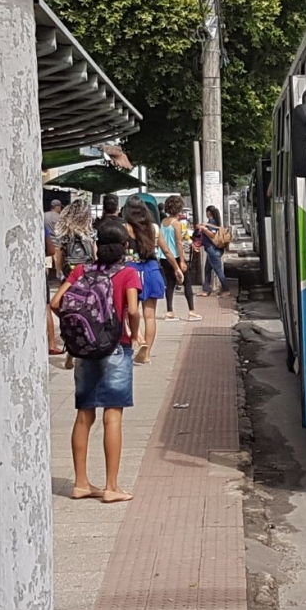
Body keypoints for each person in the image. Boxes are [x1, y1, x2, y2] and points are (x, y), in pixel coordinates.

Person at [51, 218, 142, 504]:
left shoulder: (81, 270)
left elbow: (56, 303)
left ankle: (80, 483)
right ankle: (111, 486)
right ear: (125, 247)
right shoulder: (128, 273)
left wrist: (76, 331)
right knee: (112, 416)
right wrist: (134, 334)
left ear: (98, 246)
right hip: (116, 348)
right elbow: (133, 309)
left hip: (85, 350)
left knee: (84, 415)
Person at [123, 195, 182, 363]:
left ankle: (138, 338)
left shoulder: (124, 228)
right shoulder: (154, 228)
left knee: (129, 311)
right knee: (150, 316)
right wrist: (177, 268)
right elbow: (167, 251)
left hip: (131, 272)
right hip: (151, 269)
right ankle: (146, 353)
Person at [54, 200, 96, 369]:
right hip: (86, 278)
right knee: (87, 312)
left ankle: (71, 346)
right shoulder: (90, 233)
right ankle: (84, 344)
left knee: (67, 310)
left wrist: (59, 272)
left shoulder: (65, 234)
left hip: (69, 277)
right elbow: (95, 254)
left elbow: (58, 255)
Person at [161, 195, 200, 321]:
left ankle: (169, 311)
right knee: (187, 282)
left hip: (164, 256)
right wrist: (182, 261)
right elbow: (178, 243)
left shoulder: (163, 222)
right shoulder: (176, 223)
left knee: (170, 283)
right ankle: (192, 311)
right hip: (176, 256)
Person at [197, 205, 230, 297]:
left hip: (212, 250)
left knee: (218, 270)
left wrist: (204, 229)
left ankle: (226, 290)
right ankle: (206, 290)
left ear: (209, 212)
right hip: (212, 250)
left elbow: (212, 235)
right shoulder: (215, 222)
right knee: (207, 269)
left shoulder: (212, 222)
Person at [46, 225, 64, 356]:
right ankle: (52, 343)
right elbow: (51, 250)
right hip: (39, 270)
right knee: (47, 307)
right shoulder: (42, 229)